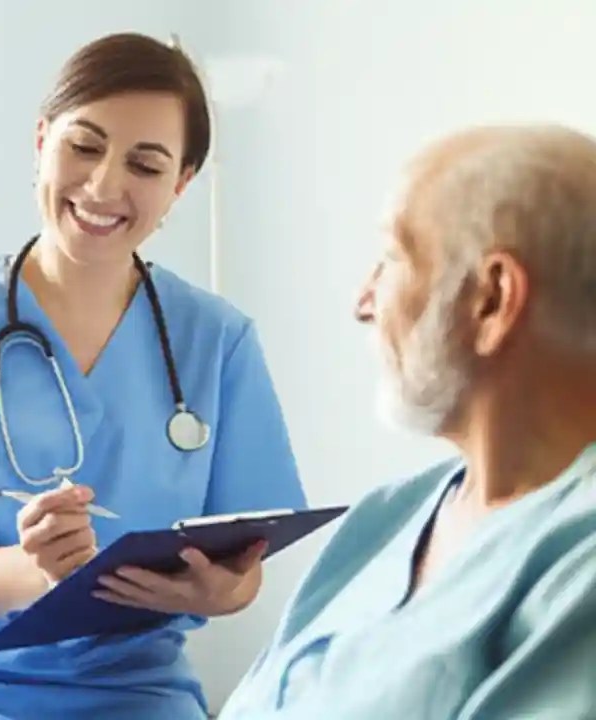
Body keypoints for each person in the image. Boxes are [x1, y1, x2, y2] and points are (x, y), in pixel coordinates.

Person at [0, 32, 307, 720]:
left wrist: (216, 593)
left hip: (142, 690)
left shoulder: (219, 341)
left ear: (181, 184)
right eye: (84, 146)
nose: (103, 186)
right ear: (42, 142)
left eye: (145, 165)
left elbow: (242, 572)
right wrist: (33, 569)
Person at [218, 124, 596, 719]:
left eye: (392, 258)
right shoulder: (388, 515)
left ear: (491, 300)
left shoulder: (578, 562)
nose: (363, 301)